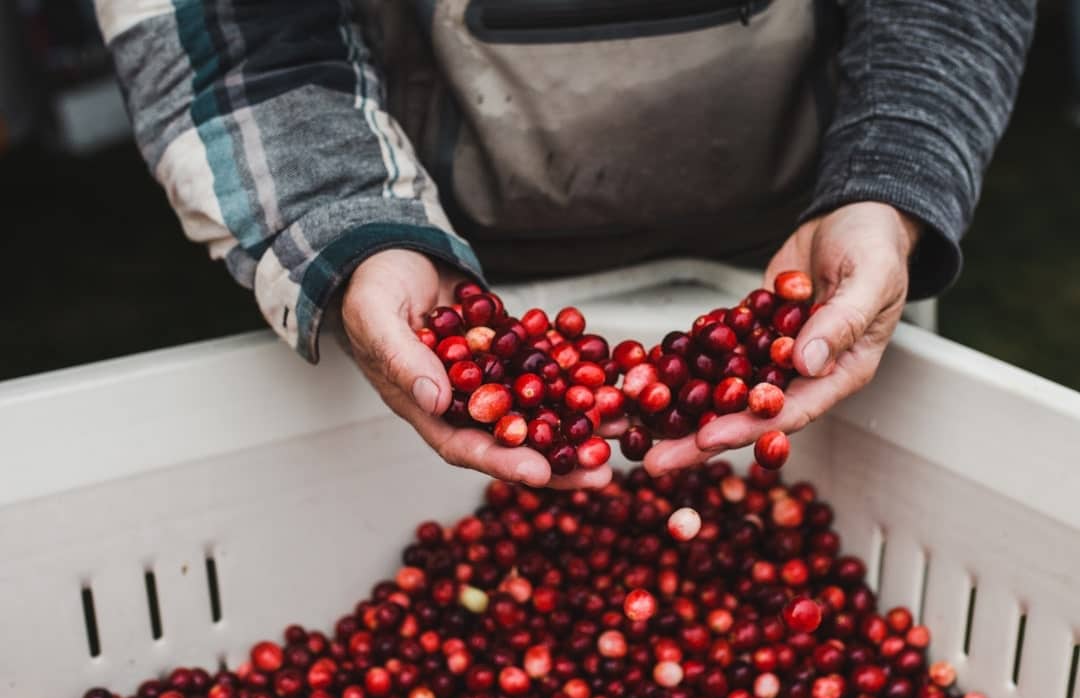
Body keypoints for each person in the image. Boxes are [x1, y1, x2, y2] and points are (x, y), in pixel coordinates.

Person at [96, 1, 1034, 489]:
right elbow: (225, 26)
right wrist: (344, 219)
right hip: (433, 230)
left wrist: (890, 180)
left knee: (820, 469)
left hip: (818, 233)